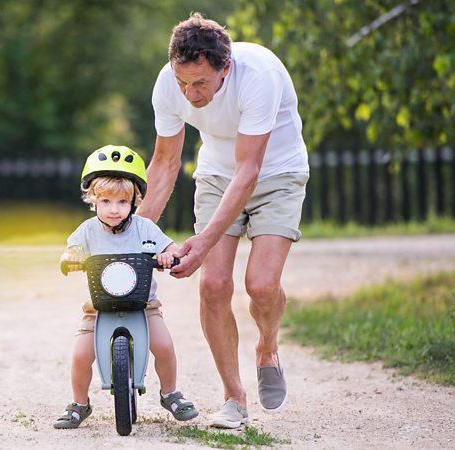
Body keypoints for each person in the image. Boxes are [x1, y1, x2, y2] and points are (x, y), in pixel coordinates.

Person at [136, 13, 310, 429]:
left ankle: (267, 349)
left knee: (261, 285)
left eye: (199, 83)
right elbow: (164, 163)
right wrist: (134, 235)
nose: (189, 93)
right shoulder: (169, 83)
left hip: (277, 174)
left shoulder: (259, 75)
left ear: (224, 68)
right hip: (216, 174)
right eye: (182, 82)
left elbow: (249, 171)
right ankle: (234, 397)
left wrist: (202, 243)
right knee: (213, 285)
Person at [53, 145, 198, 429]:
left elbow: (170, 246)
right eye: (105, 201)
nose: (113, 209)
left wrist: (169, 254)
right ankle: (79, 404)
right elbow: (70, 250)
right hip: (99, 307)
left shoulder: (144, 227)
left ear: (134, 201)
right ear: (92, 199)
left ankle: (170, 393)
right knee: (81, 354)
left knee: (164, 346)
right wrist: (70, 258)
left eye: (121, 202)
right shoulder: (87, 230)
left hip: (144, 305)